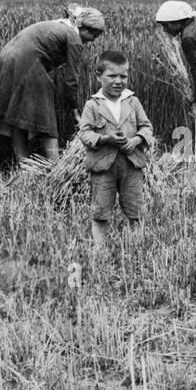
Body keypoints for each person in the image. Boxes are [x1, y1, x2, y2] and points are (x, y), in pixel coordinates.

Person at [0, 4, 105, 164]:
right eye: (94, 35)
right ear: (85, 29)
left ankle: (24, 167)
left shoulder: (58, 26)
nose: (93, 40)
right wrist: (75, 112)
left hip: (7, 58)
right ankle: (55, 167)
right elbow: (71, 80)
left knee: (17, 116)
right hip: (27, 62)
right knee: (47, 119)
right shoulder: (74, 38)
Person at [77, 50, 155, 249]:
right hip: (103, 166)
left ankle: (136, 246)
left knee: (135, 208)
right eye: (112, 76)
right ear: (98, 76)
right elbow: (85, 133)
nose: (118, 81)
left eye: (123, 76)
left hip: (131, 165)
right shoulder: (93, 105)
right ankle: (99, 248)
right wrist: (105, 139)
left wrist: (136, 140)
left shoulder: (132, 101)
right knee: (100, 210)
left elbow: (147, 127)